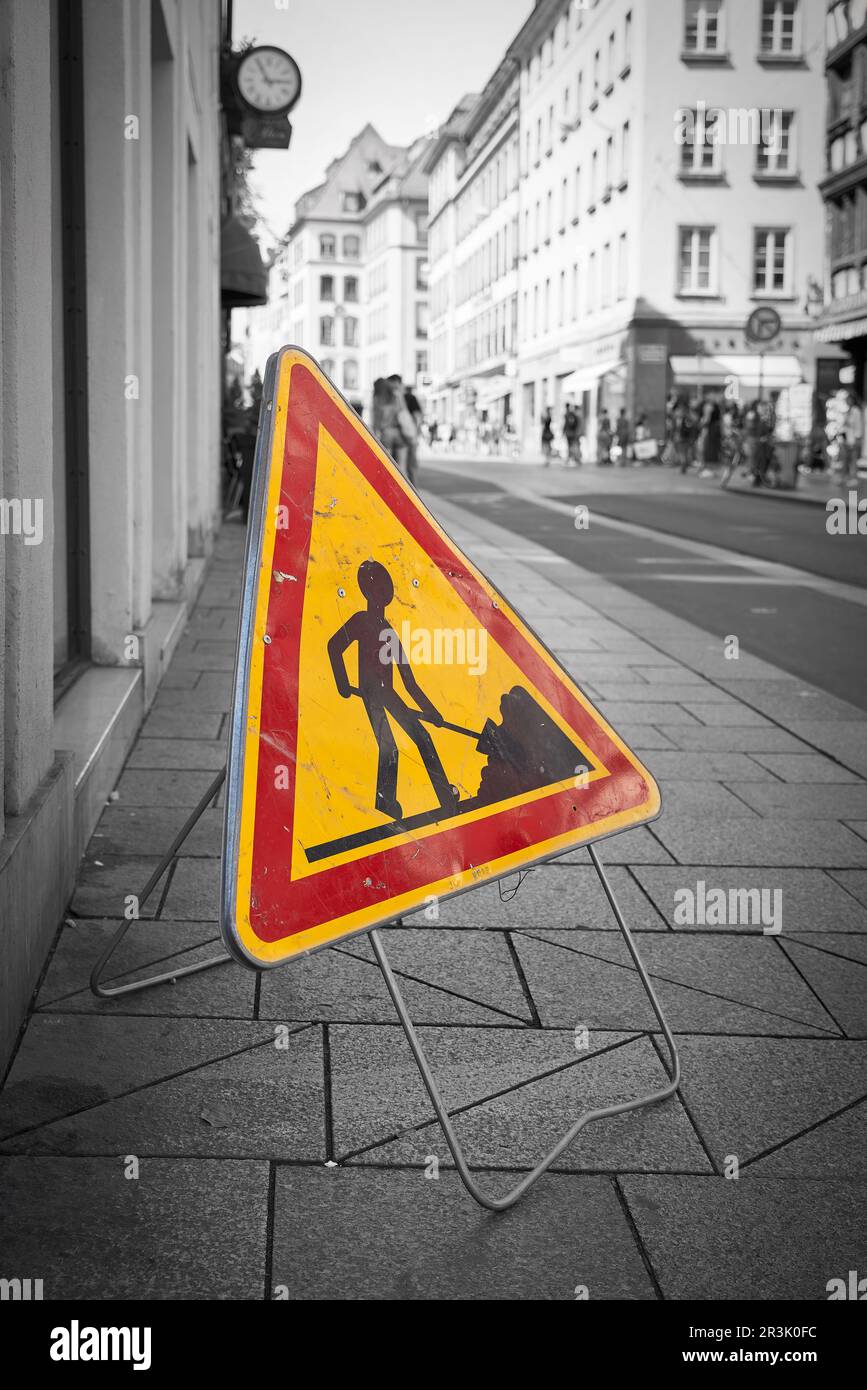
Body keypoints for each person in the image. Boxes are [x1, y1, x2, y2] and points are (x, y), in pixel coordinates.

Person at [327, 560, 457, 821]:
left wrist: (433, 713)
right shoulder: (360, 621)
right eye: (377, 589)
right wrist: (342, 684)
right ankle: (385, 803)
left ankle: (446, 797)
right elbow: (334, 646)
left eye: (384, 590)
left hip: (389, 693)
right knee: (390, 747)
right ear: (367, 591)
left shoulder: (389, 632)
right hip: (371, 693)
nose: (381, 595)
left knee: (424, 738)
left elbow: (409, 682)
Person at [842, 392, 863, 484]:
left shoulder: (855, 411)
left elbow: (858, 425)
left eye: (848, 399)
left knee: (853, 459)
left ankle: (853, 478)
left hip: (853, 439)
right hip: (847, 439)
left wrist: (857, 439)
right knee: (846, 459)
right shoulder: (849, 410)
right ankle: (847, 477)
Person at [563, 401, 581, 466]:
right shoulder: (572, 415)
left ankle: (573, 458)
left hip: (571, 433)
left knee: (572, 446)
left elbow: (569, 424)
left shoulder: (570, 415)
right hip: (572, 433)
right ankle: (573, 458)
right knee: (573, 446)